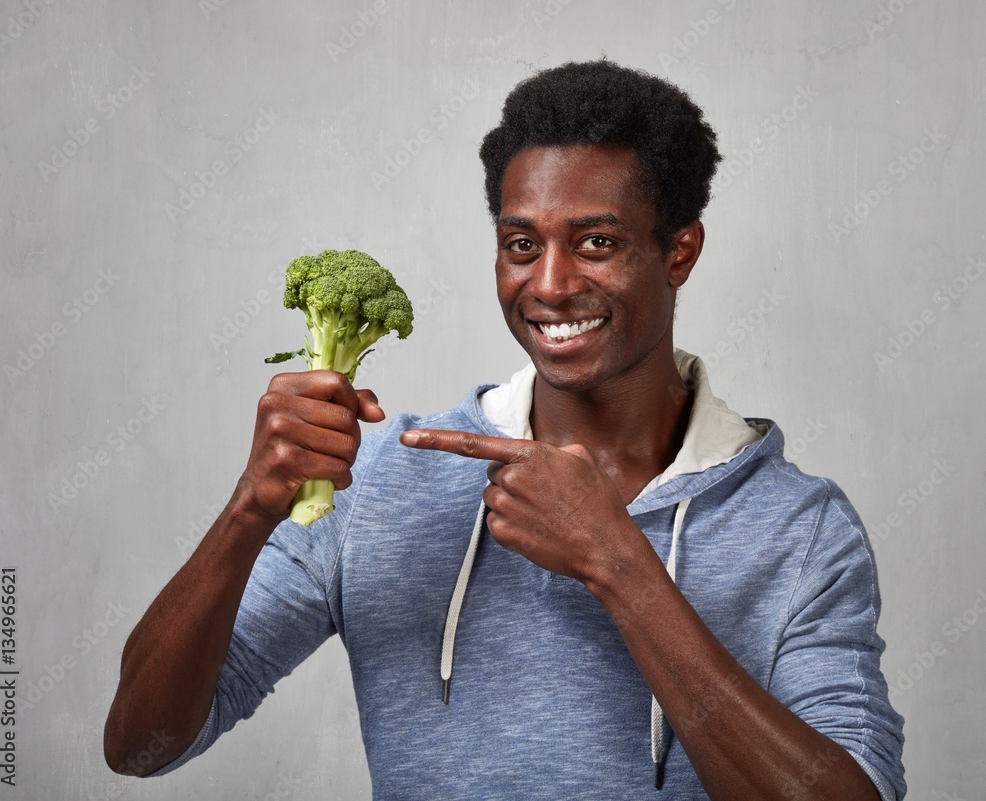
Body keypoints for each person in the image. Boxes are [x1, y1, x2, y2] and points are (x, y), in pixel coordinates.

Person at [104, 60, 906, 799]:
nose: (551, 285)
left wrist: (616, 560)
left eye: (597, 242)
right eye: (522, 244)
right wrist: (251, 505)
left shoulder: (801, 529)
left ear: (680, 251)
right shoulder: (382, 477)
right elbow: (140, 743)